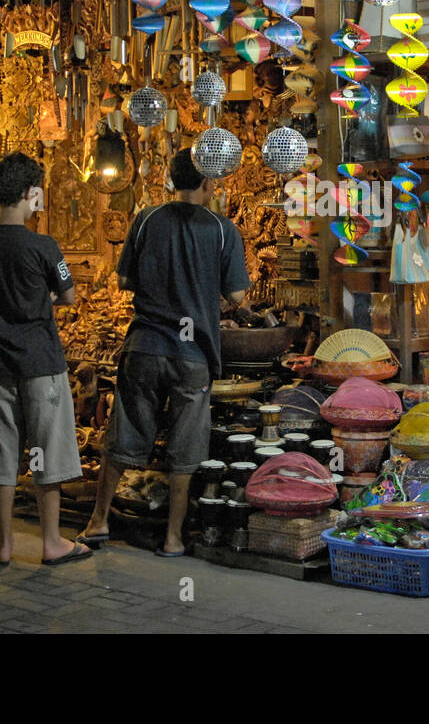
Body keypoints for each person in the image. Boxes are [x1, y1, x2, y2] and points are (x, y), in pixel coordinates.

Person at [80, 148, 250, 557]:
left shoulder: (147, 219)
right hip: (192, 354)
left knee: (123, 436)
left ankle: (98, 520)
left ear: (172, 181)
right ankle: (173, 537)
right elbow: (238, 294)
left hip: (145, 346)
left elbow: (124, 280)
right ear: (209, 182)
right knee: (186, 446)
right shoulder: (223, 230)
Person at [0, 152, 90, 568]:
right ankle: (52, 542)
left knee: (1, 456)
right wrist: (43, 300)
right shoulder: (44, 245)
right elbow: (69, 294)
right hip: (42, 363)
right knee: (48, 452)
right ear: (29, 194)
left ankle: (3, 546)